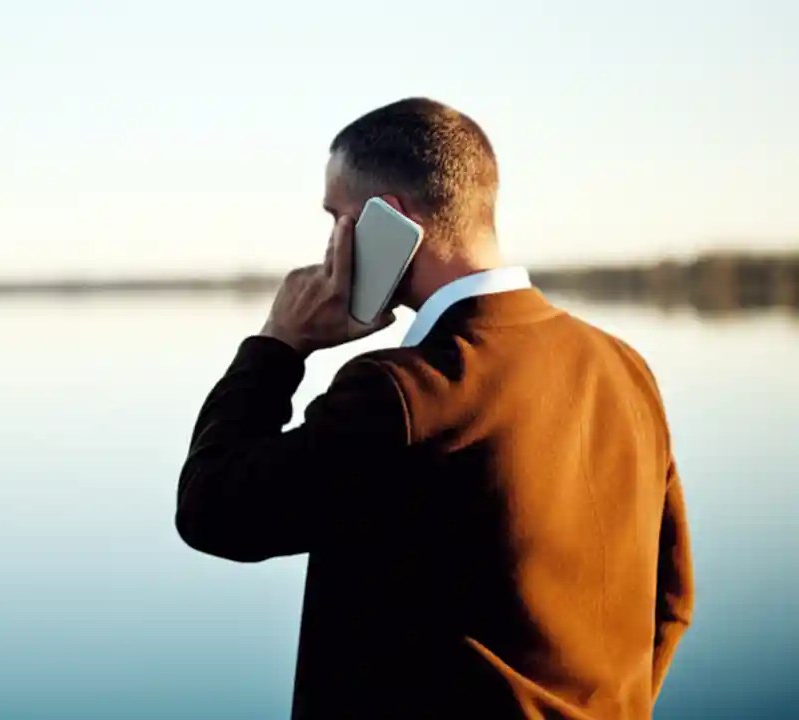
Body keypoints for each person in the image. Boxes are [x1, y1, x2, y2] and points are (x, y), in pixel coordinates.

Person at [175, 98, 694, 719]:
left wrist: (278, 345)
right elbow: (671, 599)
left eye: (337, 217)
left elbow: (213, 510)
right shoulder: (622, 366)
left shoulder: (402, 391)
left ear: (384, 222)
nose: (328, 247)